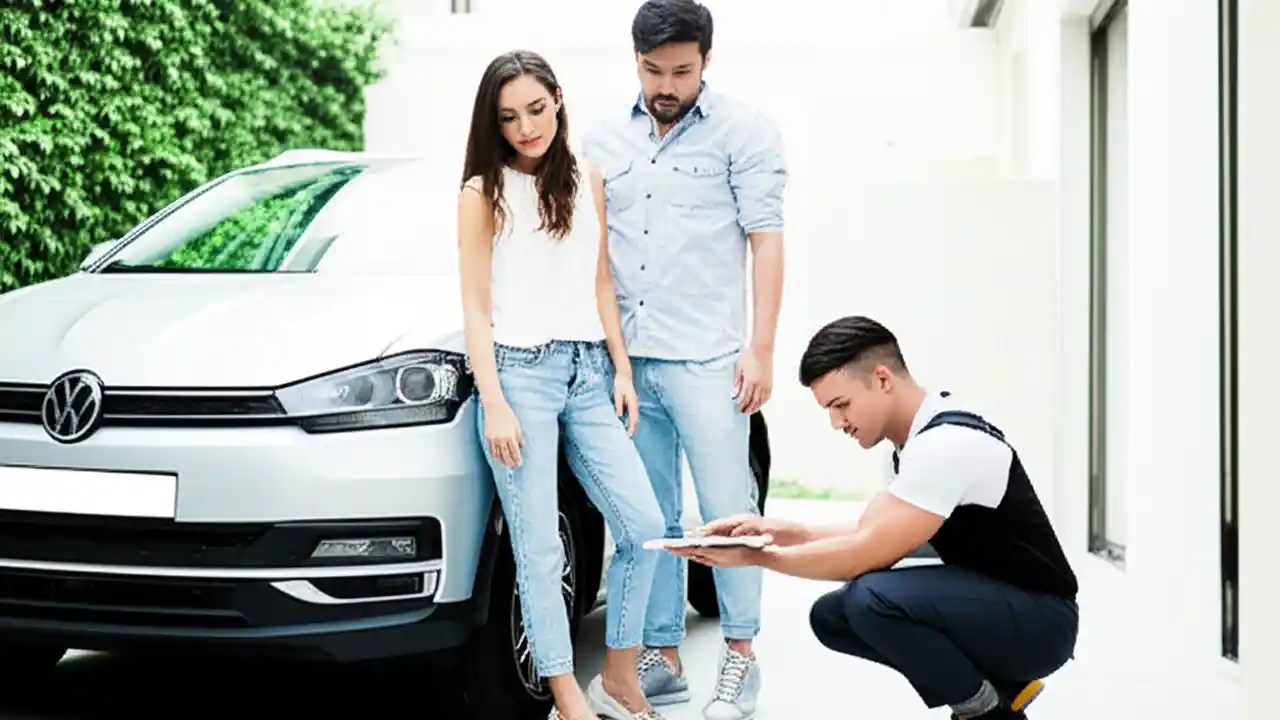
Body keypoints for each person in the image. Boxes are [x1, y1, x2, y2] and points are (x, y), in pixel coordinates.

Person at [671, 316, 1080, 720]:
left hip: (1041, 622)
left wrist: (756, 557)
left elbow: (866, 555)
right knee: (833, 616)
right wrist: (776, 531)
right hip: (998, 602)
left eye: (841, 405)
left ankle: (985, 712)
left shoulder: (947, 446)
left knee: (871, 599)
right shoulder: (918, 439)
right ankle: (999, 687)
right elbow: (869, 530)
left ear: (883, 379)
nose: (836, 423)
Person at [581, 1, 788, 718]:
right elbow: (593, 254)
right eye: (652, 70)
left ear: (706, 60)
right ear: (633, 59)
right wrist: (609, 361)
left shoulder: (745, 132)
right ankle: (662, 661)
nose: (666, 85)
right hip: (630, 363)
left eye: (682, 71)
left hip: (709, 360)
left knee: (729, 513)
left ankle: (740, 659)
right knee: (650, 520)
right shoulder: (604, 138)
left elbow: (765, 239)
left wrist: (759, 348)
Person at [457, 50, 669, 720]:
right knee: (540, 548)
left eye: (537, 109)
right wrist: (492, 400)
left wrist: (622, 366)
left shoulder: (587, 178)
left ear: (558, 99)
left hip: (588, 372)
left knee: (645, 524)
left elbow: (598, 279)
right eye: (509, 117)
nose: (526, 127)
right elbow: (476, 308)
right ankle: (567, 697)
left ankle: (618, 676)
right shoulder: (481, 193)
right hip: (519, 376)